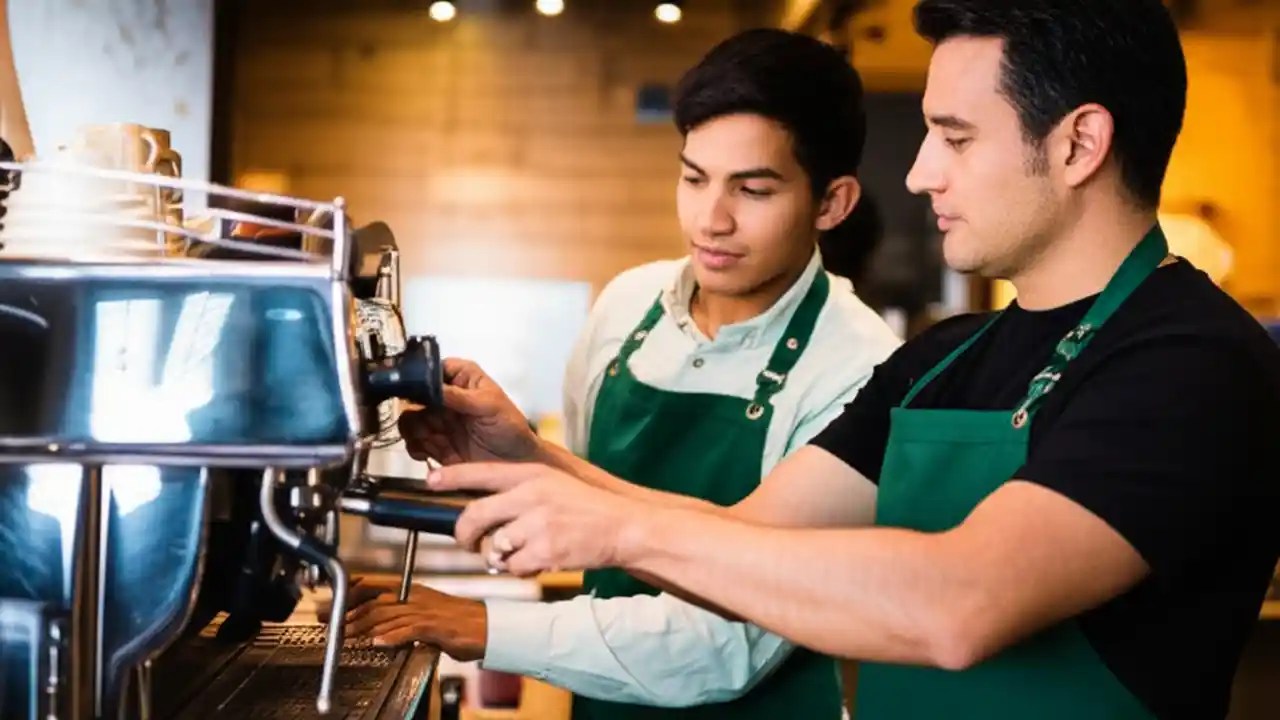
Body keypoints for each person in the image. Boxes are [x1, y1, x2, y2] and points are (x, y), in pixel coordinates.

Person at [356, 1, 1280, 718]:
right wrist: (528, 458)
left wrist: (610, 537)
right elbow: (752, 536)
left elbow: (959, 606)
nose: (920, 174)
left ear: (1078, 142)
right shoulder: (944, 357)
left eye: (955, 138)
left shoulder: (1191, 362)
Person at [343, 28, 900, 720]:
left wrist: (483, 625)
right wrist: (525, 457)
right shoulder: (627, 306)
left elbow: (734, 640)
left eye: (752, 190)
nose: (711, 219)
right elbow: (591, 525)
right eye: (693, 177)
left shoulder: (860, 367)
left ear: (832, 203)